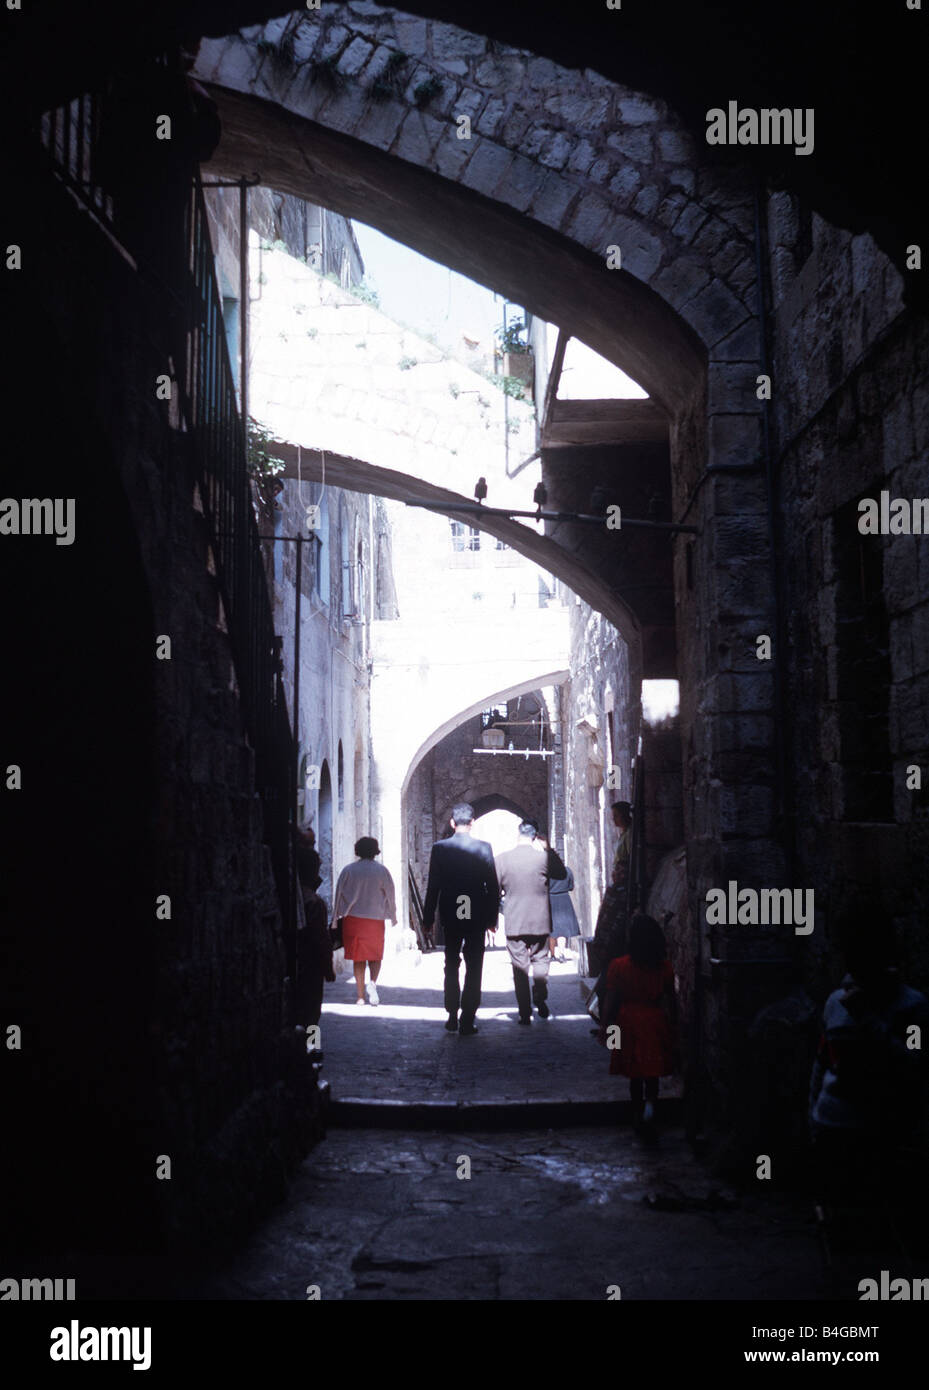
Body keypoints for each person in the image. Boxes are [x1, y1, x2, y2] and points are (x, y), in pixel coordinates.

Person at [809, 907, 929, 1206]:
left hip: (879, 1130)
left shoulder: (911, 1006)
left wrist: (870, 1023)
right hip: (831, 1125)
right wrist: (812, 1116)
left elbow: (915, 1063)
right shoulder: (836, 1003)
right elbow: (822, 1063)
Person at [422, 802, 499, 1036]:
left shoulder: (440, 848)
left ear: (452, 823)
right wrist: (492, 919)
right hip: (475, 912)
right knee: (475, 964)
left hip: (451, 911)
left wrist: (428, 918)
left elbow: (433, 885)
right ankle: (468, 1017)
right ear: (472, 822)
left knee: (451, 962)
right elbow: (492, 886)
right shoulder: (484, 848)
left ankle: (452, 1013)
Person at [599, 914, 677, 1132]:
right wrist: (674, 1026)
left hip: (628, 1021)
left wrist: (606, 1026)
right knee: (652, 1070)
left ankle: (637, 1111)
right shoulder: (665, 968)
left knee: (634, 1071)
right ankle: (651, 1105)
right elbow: (670, 999)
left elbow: (610, 998)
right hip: (654, 1019)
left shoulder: (619, 966)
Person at [495, 823, 567, 1024]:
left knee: (519, 967)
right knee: (541, 960)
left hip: (515, 921)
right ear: (535, 837)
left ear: (518, 834)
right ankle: (540, 994)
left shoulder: (501, 860)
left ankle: (524, 1012)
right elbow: (561, 874)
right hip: (540, 920)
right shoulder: (543, 858)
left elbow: (493, 891)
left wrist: (492, 920)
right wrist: (549, 849)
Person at [332, 837, 397, 1006]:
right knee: (375, 956)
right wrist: (393, 915)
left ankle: (360, 997)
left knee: (358, 958)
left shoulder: (348, 870)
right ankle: (373, 983)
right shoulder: (382, 871)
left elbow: (339, 894)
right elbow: (390, 894)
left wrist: (335, 918)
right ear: (375, 851)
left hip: (353, 919)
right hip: (375, 919)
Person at [588, 801, 634, 1019]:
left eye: (616, 815)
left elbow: (629, 863)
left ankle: (607, 1017)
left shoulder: (630, 837)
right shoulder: (625, 836)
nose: (613, 819)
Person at [294, 841, 334, 1048]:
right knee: (311, 1012)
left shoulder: (296, 896)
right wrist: (328, 968)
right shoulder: (313, 902)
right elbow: (320, 938)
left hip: (296, 963)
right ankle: (312, 1048)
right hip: (310, 966)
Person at [549, 862, 579, 960]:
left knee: (551, 928)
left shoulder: (547, 871)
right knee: (562, 928)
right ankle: (561, 953)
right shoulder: (567, 871)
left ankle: (552, 954)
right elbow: (571, 887)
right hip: (564, 899)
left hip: (550, 899)